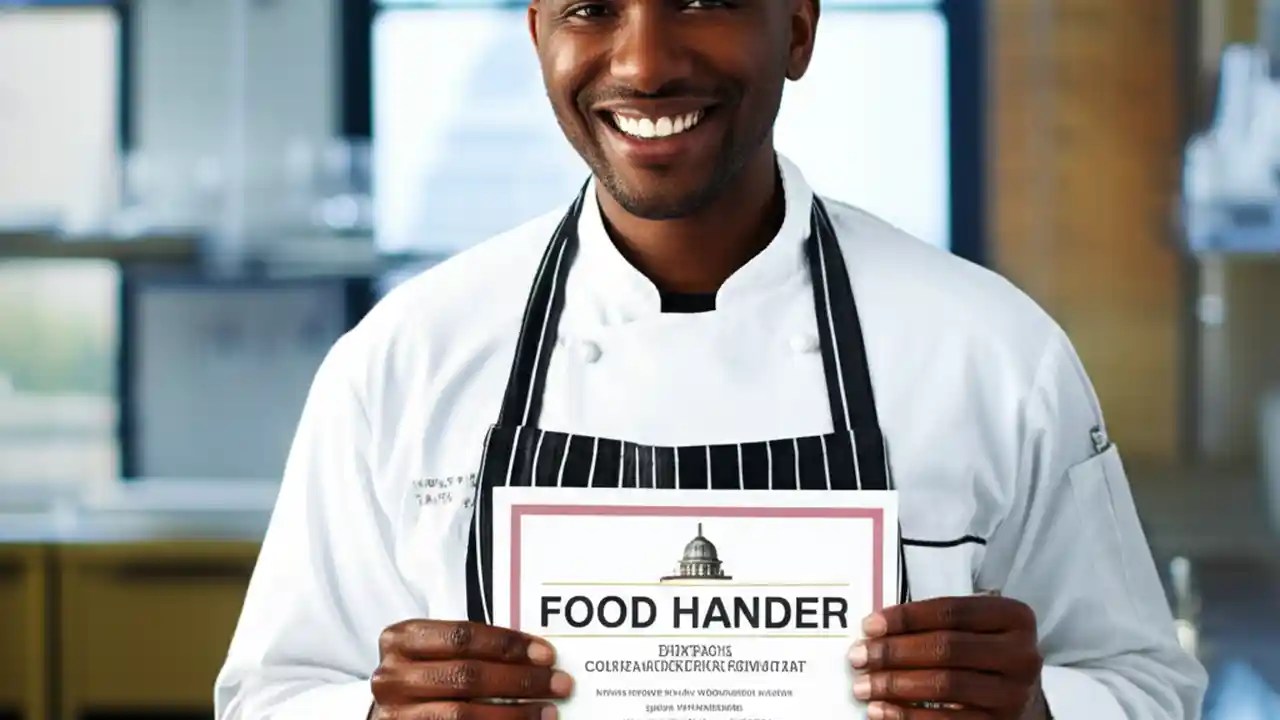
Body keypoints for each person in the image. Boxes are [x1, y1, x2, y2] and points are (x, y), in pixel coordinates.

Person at [214, 0, 1207, 716]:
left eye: (702, 1)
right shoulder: (401, 359)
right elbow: (271, 695)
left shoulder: (992, 352)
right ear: (538, 37)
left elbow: (1147, 688)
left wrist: (1034, 710)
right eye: (592, 9)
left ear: (799, 29)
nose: (642, 62)